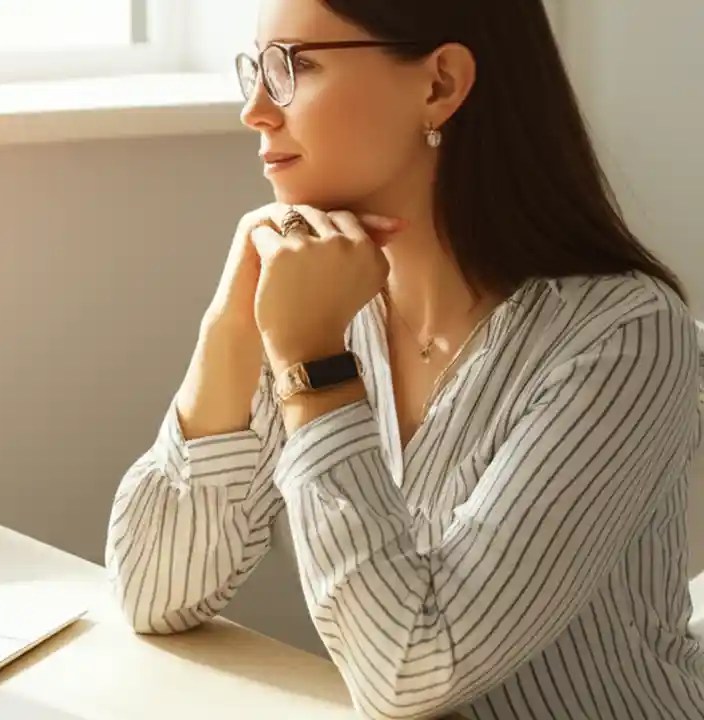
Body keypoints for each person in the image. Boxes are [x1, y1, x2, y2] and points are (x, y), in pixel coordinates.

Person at [103, 1, 704, 718]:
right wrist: (232, 324)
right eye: (256, 70)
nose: (256, 110)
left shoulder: (623, 336)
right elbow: (152, 593)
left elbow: (409, 674)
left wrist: (312, 369)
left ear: (440, 84)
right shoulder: (323, 296)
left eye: (295, 66)